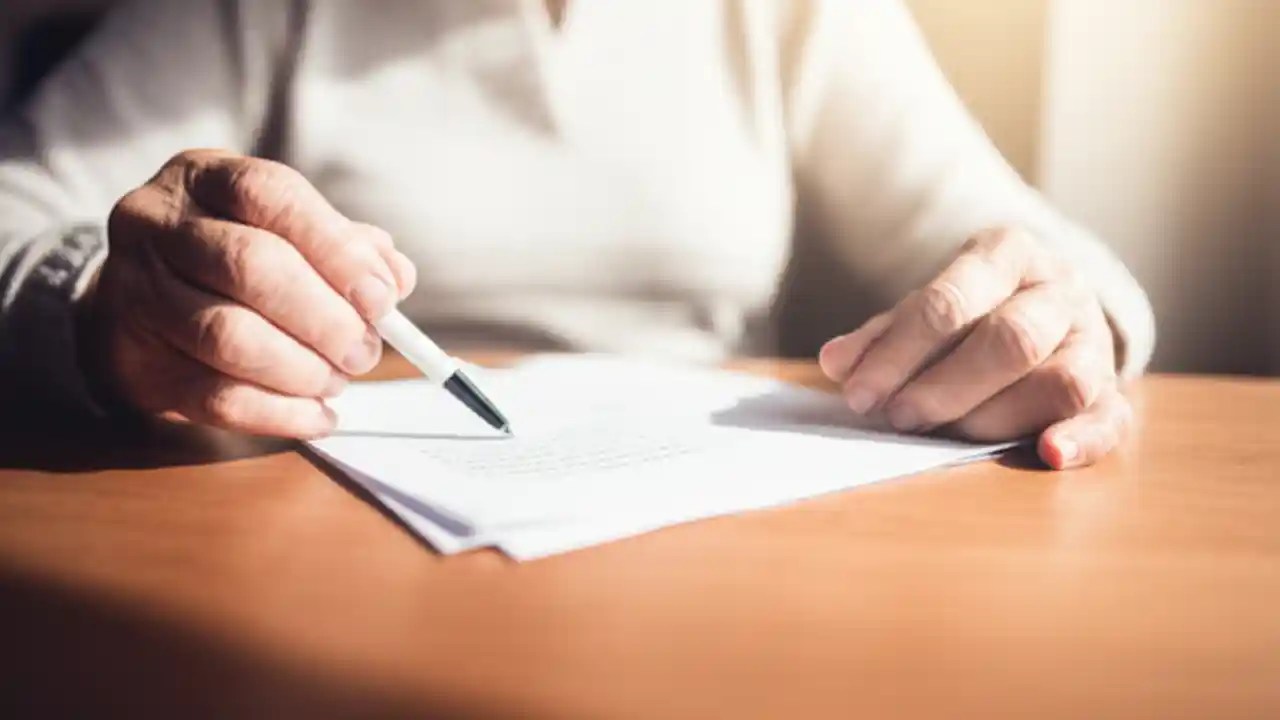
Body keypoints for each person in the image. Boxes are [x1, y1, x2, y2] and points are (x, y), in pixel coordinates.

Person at [0, 0, 1154, 469]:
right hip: (299, 534)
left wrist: (1067, 318)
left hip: (691, 545)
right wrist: (104, 307)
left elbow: (1028, 245)